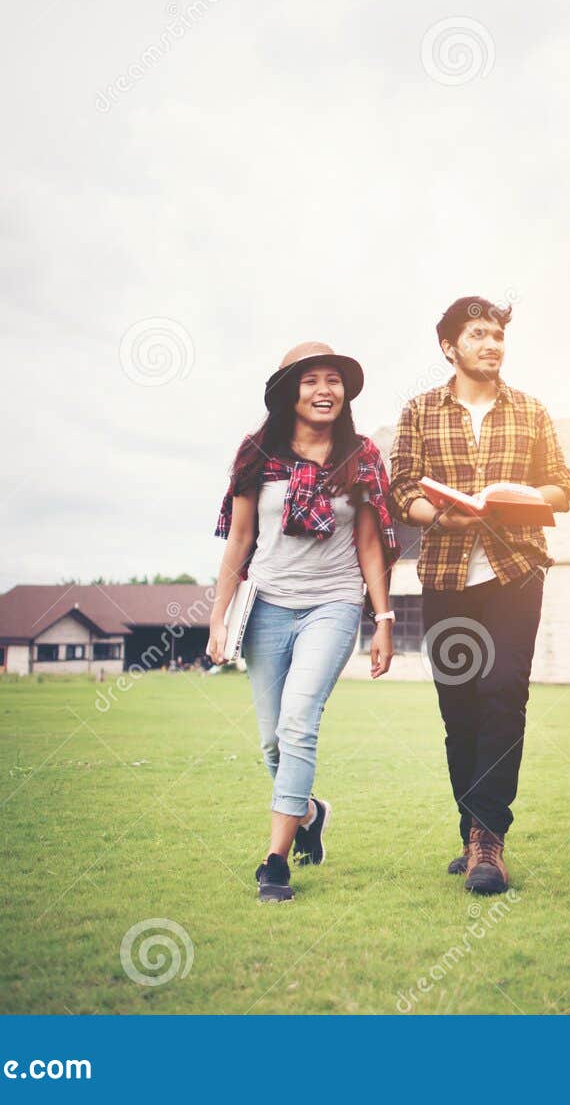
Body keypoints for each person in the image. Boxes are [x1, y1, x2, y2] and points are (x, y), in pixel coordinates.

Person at [389, 296, 570, 896]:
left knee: (502, 694)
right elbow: (401, 490)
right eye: (478, 334)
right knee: (459, 710)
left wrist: (516, 497)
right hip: (445, 577)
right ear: (450, 346)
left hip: (515, 569)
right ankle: (471, 828)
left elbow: (562, 490)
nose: (491, 344)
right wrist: (439, 517)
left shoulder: (531, 410)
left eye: (497, 334)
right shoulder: (419, 411)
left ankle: (490, 839)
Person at [208, 341, 398, 902]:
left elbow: (369, 543)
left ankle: (275, 861)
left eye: (333, 380)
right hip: (266, 605)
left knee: (297, 722)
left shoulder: (361, 456)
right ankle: (310, 813)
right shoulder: (256, 454)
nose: (324, 390)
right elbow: (240, 541)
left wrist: (382, 617)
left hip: (333, 603)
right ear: (290, 392)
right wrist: (218, 619)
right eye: (311, 380)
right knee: (271, 741)